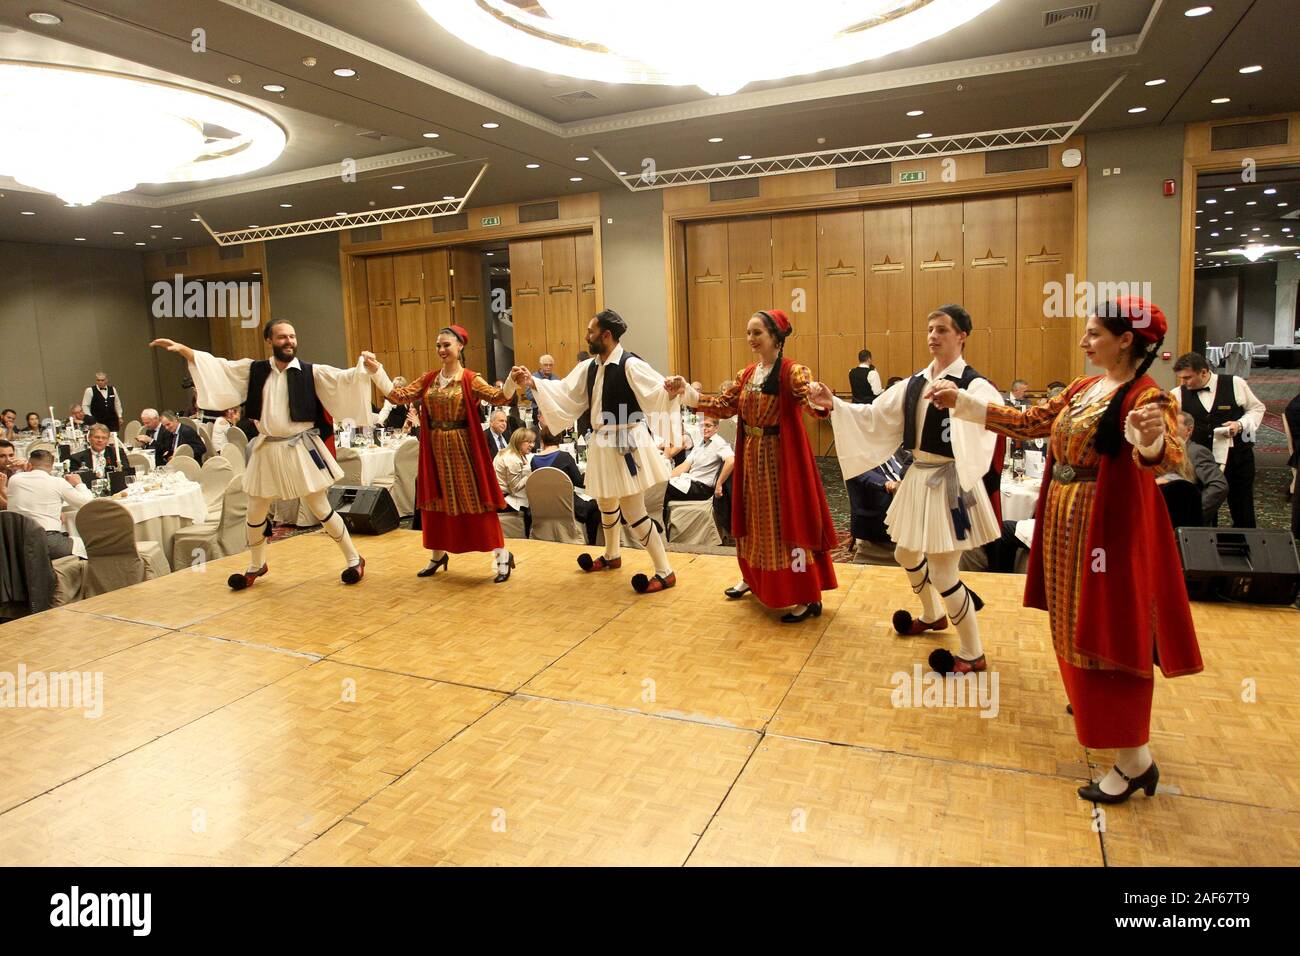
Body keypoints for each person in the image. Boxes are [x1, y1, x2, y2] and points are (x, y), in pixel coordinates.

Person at [928, 296, 1202, 804]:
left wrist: (1148, 444)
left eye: (1095, 333)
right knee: (1075, 625)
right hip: (1067, 521)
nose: (1084, 341)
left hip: (1107, 529)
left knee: (1111, 632)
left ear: (1126, 340)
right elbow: (1031, 421)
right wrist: (962, 404)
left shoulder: (1149, 397)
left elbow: (1166, 459)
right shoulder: (1084, 387)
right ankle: (1095, 709)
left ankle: (1134, 760)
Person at [809, 304, 1001, 670]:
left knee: (945, 572)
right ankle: (932, 615)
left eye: (942, 329)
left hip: (951, 485)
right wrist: (832, 403)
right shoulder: (915, 383)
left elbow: (995, 411)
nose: (933, 336)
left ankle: (973, 652)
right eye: (930, 329)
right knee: (906, 555)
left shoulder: (974, 384)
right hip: (919, 477)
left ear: (962, 336)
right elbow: (874, 414)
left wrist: (960, 401)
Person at [151, 320, 386, 588]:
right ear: (270, 341)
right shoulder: (254, 370)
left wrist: (363, 366)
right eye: (282, 337)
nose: (289, 341)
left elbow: (345, 379)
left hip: (300, 447)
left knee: (320, 506)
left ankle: (354, 559)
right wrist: (185, 350)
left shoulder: (311, 372)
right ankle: (256, 564)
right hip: (266, 447)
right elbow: (220, 368)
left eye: (292, 336)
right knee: (255, 510)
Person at [669, 309, 838, 621]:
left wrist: (819, 399)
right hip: (751, 457)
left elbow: (810, 405)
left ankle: (804, 593)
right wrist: (686, 393)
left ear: (775, 336)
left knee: (787, 525)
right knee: (753, 522)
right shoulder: (747, 375)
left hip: (781, 461)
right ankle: (754, 578)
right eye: (748, 333)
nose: (750, 339)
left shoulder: (793, 372)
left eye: (757, 333)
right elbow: (722, 405)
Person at [512, 307, 683, 594]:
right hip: (603, 443)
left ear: (606, 335)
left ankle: (665, 570)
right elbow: (566, 393)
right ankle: (612, 554)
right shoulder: (590, 367)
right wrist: (533, 383)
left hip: (628, 442)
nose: (586, 336)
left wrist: (671, 388)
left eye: (591, 331)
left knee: (633, 510)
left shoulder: (630, 364)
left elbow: (657, 392)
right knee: (605, 500)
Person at [374, 325, 518, 583]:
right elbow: (398, 396)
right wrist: (377, 371)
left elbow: (499, 398)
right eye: (438, 345)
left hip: (463, 448)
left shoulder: (470, 378)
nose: (441, 350)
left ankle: (502, 555)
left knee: (475, 501)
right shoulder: (429, 379)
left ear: (460, 346)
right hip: (435, 449)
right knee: (435, 501)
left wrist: (511, 381)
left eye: (446, 345)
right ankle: (437, 554)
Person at [1171, 351, 1266, 528]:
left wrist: (1240, 424)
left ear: (1204, 372)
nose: (1183, 383)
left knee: (1243, 509)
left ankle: (1247, 550)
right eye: (1181, 378)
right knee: (1204, 509)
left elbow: (1257, 409)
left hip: (1237, 457)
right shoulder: (1177, 394)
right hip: (1200, 462)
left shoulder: (1235, 383)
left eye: (1187, 378)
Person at [5, 449, 92, 559]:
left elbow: (33, 497)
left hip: (16, 543)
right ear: (51, 467)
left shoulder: (14, 479)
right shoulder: (57, 482)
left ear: (29, 465)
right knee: (87, 546)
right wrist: (79, 484)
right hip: (47, 542)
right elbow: (88, 504)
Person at [1156, 411, 1228, 527]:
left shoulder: (1196, 452)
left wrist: (1193, 514)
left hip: (1183, 527)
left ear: (1189, 430)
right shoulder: (1156, 451)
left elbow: (1219, 486)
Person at [530, 427, 598, 544]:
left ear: (542, 439)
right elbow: (579, 483)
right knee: (595, 506)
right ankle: (592, 542)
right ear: (560, 438)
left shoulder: (534, 460)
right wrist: (588, 474)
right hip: (567, 505)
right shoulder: (565, 457)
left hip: (544, 506)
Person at [662, 416, 734, 525]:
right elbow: (684, 466)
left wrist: (719, 484)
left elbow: (731, 461)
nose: (704, 429)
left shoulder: (719, 443)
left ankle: (659, 530)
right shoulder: (700, 444)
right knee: (661, 488)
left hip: (702, 488)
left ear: (716, 428)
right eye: (702, 426)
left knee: (664, 489)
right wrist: (664, 477)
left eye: (708, 426)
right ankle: (662, 529)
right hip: (690, 483)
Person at [495, 427, 535, 536]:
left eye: (533, 442)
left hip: (500, 494)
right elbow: (514, 488)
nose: (532, 445)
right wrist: (530, 475)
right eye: (528, 442)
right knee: (533, 507)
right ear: (518, 442)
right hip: (505, 499)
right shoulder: (513, 459)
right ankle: (527, 536)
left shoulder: (506, 452)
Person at [0, 438, 25, 510]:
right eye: (2, 456)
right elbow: (8, 508)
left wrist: (26, 469)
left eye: (11, 455)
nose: (8, 459)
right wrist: (2, 490)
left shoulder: (13, 470)